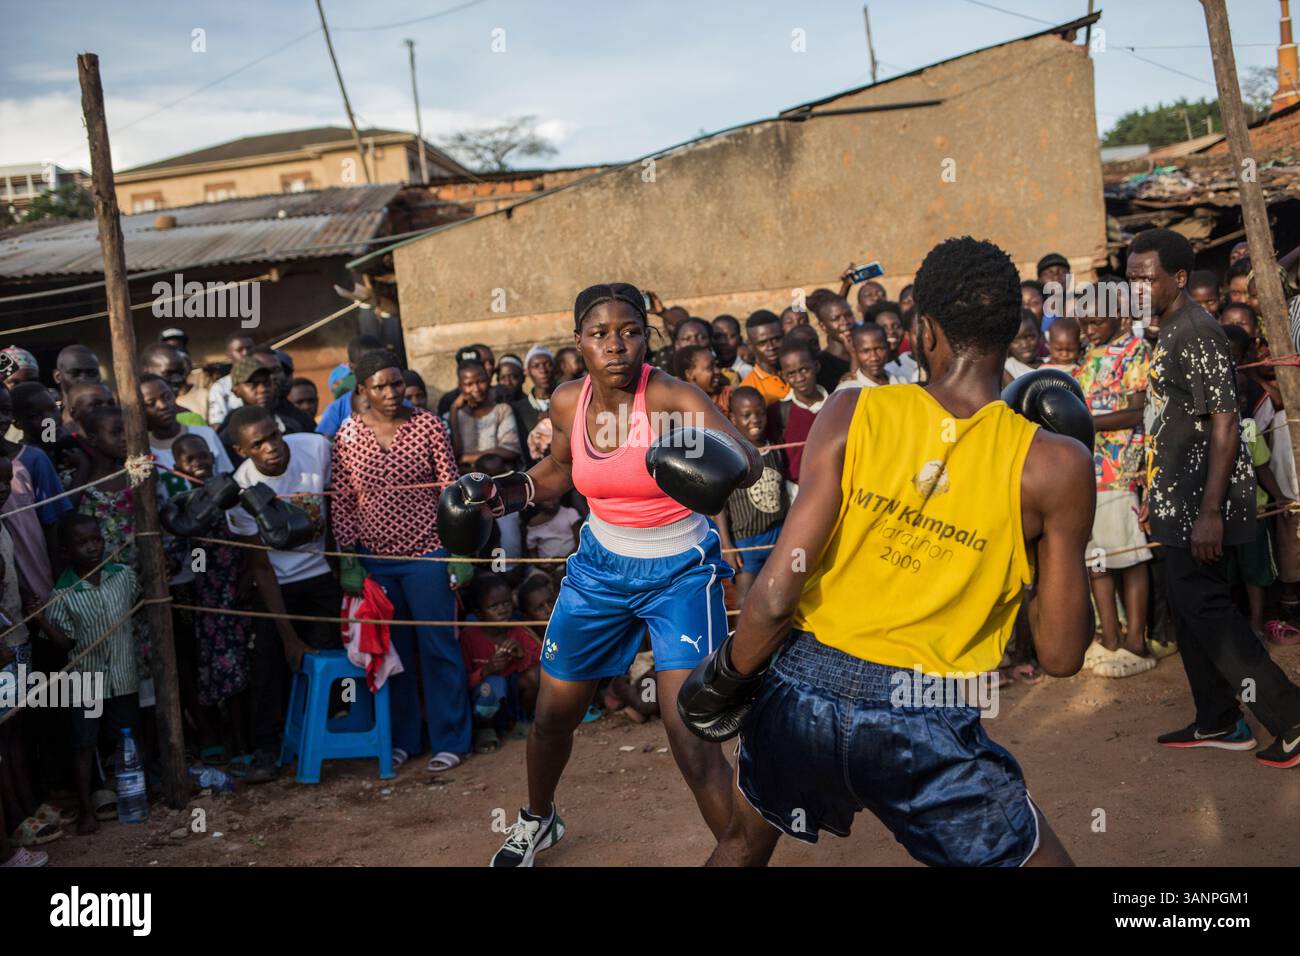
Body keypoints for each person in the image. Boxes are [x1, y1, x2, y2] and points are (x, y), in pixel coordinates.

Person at [687, 236, 1096, 867]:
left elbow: (774, 594)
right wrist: (1048, 516)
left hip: (802, 686)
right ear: (1014, 328)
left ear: (922, 331)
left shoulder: (851, 411)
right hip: (923, 715)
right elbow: (1063, 655)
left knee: (741, 843)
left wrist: (727, 678)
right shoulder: (1055, 465)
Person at [441, 281, 761, 867]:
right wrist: (502, 494)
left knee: (689, 733)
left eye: (630, 332)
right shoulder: (568, 400)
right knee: (553, 714)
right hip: (600, 570)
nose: (616, 345)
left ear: (646, 337)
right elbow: (560, 468)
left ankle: (738, 855)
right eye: (600, 334)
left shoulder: (671, 396)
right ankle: (539, 820)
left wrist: (715, 460)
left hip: (680, 572)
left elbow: (750, 459)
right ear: (578, 342)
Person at [1130, 227, 1300, 767]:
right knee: (1190, 608)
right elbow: (1172, 422)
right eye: (1129, 277)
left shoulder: (1198, 333)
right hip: (1177, 500)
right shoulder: (1170, 329)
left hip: (1203, 506)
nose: (1135, 287)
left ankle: (1291, 719)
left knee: (1211, 614)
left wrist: (1208, 513)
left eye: (1146, 277)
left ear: (1178, 278)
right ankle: (1218, 720)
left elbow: (1227, 424)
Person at [330, 352, 468, 774]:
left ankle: (451, 740)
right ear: (363, 391)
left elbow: (451, 489)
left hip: (428, 553)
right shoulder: (348, 435)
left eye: (396, 384)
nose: (391, 393)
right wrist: (349, 557)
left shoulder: (427, 424)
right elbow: (342, 501)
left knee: (439, 647)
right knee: (394, 654)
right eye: (380, 386)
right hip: (377, 562)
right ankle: (402, 739)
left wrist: (460, 550)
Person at [225, 405, 340, 782]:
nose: (272, 447)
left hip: (323, 576)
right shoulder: (241, 490)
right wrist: (288, 636)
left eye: (273, 434)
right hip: (277, 586)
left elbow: (340, 509)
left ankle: (322, 741)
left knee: (326, 664)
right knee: (269, 668)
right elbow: (260, 567)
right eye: (258, 443)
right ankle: (266, 751)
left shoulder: (315, 448)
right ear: (243, 451)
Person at [41, 513, 141, 835]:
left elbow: (143, 599)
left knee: (128, 737)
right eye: (82, 543)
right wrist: (40, 621)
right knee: (84, 744)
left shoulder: (123, 576)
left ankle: (136, 796)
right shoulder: (62, 595)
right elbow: (64, 642)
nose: (92, 547)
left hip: (124, 675)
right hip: (86, 680)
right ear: (66, 552)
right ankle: (86, 809)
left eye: (96, 539)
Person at [1072, 296, 1155, 678]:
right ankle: (1109, 637)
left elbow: (1137, 410)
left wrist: (1084, 423)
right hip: (1086, 470)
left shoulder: (1136, 350)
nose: (1087, 331)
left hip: (1120, 465)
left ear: (1120, 318)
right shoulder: (1089, 358)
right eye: (1083, 324)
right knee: (1097, 559)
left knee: (1129, 555)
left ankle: (1136, 640)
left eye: (1095, 323)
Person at [169, 432, 254, 765]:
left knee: (240, 670)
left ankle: (245, 742)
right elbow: (180, 550)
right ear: (177, 465)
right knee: (214, 670)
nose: (199, 463)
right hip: (205, 596)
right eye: (190, 459)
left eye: (203, 455)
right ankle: (222, 739)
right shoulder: (185, 504)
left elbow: (250, 542)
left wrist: (246, 580)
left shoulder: (231, 494)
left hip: (235, 592)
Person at [714, 387, 789, 604]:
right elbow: (720, 505)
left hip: (778, 532)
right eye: (746, 415)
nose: (755, 420)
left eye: (760, 413)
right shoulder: (730, 455)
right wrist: (727, 546)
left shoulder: (776, 447)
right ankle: (741, 638)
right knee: (744, 600)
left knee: (781, 594)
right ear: (733, 419)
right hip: (746, 540)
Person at [461, 573, 542, 754]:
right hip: (484, 701)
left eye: (506, 603)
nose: (503, 610)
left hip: (513, 700)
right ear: (479, 613)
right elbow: (461, 679)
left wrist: (522, 655)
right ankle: (485, 730)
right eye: (494, 606)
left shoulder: (518, 630)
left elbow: (544, 661)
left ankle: (520, 722)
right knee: (494, 684)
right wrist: (487, 670)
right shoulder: (469, 637)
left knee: (537, 673)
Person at [217, 352, 314, 463]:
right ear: (236, 391)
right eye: (253, 384)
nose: (263, 389)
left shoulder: (295, 416)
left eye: (266, 382)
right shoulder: (232, 427)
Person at [449, 360, 522, 470]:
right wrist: (453, 410)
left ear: (488, 381)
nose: (476, 389)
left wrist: (465, 458)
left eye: (481, 381)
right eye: (469, 384)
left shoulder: (502, 410)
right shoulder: (453, 415)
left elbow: (511, 450)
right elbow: (453, 455)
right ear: (460, 386)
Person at [774, 340, 827, 485]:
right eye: (791, 373)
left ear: (816, 366)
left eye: (804, 370)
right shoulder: (778, 412)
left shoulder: (835, 405)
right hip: (797, 491)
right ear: (783, 376)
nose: (800, 378)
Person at [513, 346, 554, 466]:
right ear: (527, 371)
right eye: (536, 366)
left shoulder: (567, 400)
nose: (543, 370)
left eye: (547, 365)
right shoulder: (519, 409)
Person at [834, 324, 906, 390]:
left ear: (888, 347)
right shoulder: (848, 390)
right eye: (866, 351)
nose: (874, 358)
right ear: (854, 351)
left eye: (879, 349)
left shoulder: (903, 382)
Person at [739, 310, 789, 406]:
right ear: (750, 345)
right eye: (763, 343)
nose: (771, 347)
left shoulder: (802, 373)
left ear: (784, 336)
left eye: (776, 339)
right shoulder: (748, 389)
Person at [206, 331, 255, 426]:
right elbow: (217, 424)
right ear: (228, 354)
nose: (246, 353)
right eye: (239, 350)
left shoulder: (267, 378)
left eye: (249, 348)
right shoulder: (220, 387)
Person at [809, 294, 853, 392]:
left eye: (848, 315)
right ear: (823, 326)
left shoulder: (869, 354)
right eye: (835, 319)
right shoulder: (821, 365)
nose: (845, 322)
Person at [53, 346, 102, 425]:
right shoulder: (50, 420)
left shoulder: (119, 415)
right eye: (75, 373)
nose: (84, 379)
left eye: (92, 373)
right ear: (58, 377)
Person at [673, 345, 730, 413]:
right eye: (709, 368)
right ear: (690, 374)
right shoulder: (676, 408)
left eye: (716, 365)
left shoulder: (728, 397)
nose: (717, 371)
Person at [712, 315, 752, 383]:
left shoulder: (748, 373)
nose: (723, 342)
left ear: (740, 340)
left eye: (730, 336)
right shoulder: (705, 372)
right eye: (717, 337)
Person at [1005, 309, 1042, 380]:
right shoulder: (1007, 369)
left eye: (1030, 337)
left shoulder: (1054, 363)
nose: (1024, 345)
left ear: (1039, 334)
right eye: (1016, 340)